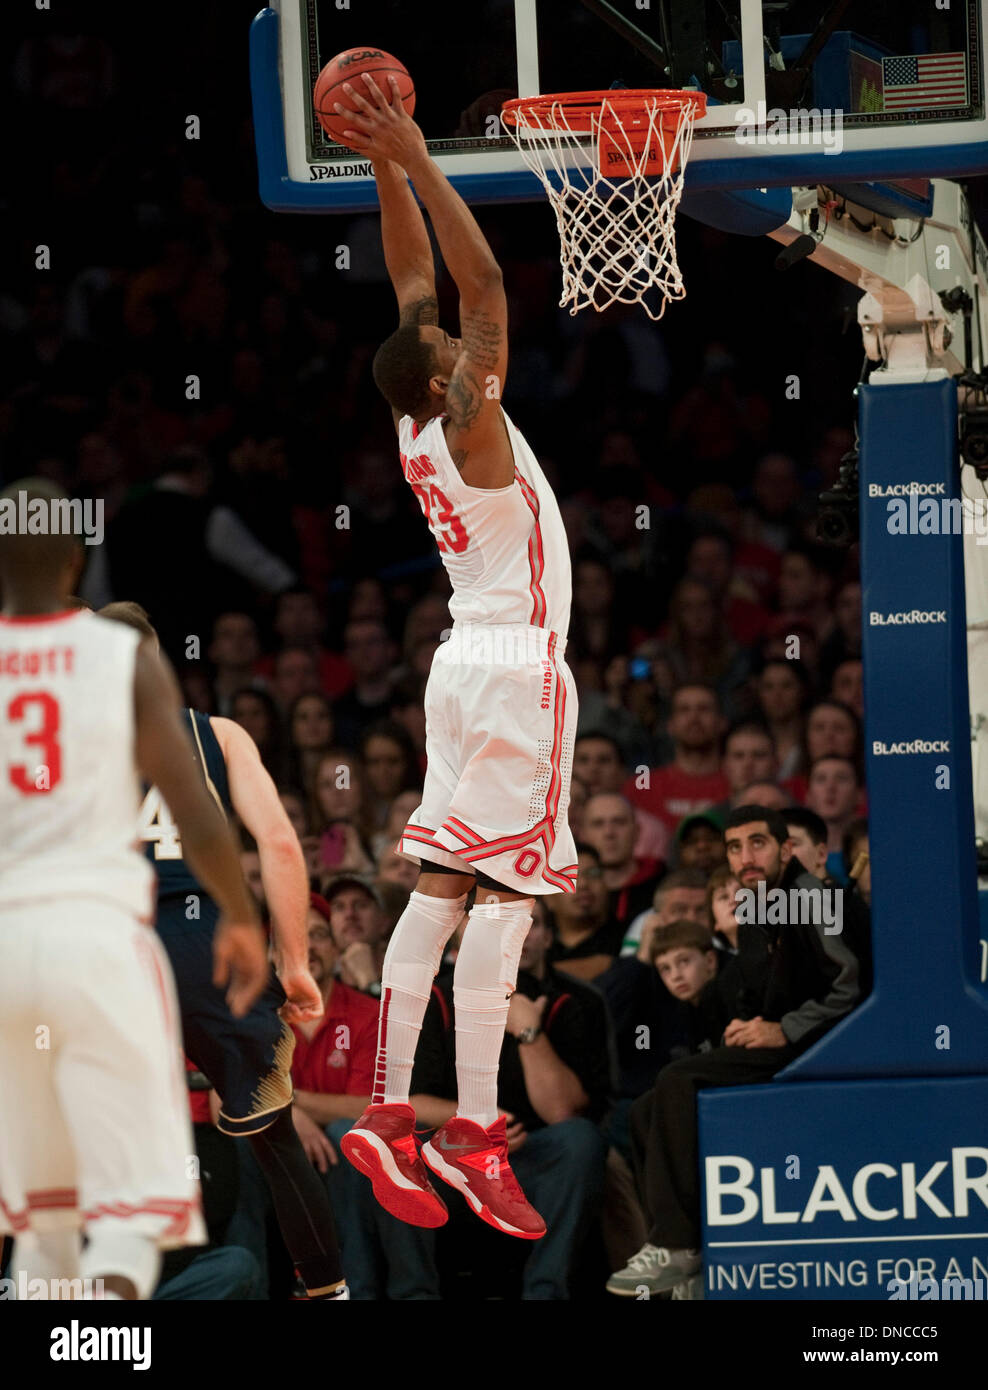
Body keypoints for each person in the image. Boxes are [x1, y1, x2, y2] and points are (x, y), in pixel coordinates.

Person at [333, 75, 579, 1240]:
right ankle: (471, 1128)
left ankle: (392, 1110)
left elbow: (413, 285)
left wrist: (383, 164)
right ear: (446, 378)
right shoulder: (469, 414)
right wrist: (425, 155)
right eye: (445, 348)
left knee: (448, 883)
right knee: (509, 896)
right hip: (518, 666)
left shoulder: (412, 415)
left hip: (461, 661)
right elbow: (475, 285)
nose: (451, 336)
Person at [0, 481, 267, 1301]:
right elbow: (194, 805)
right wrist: (241, 916)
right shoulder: (118, 659)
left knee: (43, 1207)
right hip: (99, 938)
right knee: (121, 1208)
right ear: (78, 558)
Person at [100, 601, 350, 1301]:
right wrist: (295, 960)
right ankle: (329, 1291)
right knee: (273, 1137)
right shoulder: (218, 735)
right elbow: (277, 844)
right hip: (211, 943)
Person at [608, 805, 861, 1297]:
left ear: (787, 849)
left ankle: (680, 1246)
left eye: (758, 843)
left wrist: (783, 1028)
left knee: (678, 1079)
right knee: (643, 1110)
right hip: (779, 1040)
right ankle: (683, 1254)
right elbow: (753, 995)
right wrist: (746, 1023)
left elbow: (849, 990)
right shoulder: (755, 908)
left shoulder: (816, 897)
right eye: (734, 846)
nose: (745, 856)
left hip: (825, 1041)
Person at [411, 901, 611, 1298]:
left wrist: (527, 1033)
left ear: (549, 937)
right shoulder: (433, 996)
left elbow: (563, 1114)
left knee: (580, 1140)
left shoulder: (578, 1001)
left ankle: (545, 1291)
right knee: (395, 1152)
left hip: (539, 1154)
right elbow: (411, 1101)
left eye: (529, 925)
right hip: (457, 1157)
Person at [624, 683, 729, 832]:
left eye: (704, 709)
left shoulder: (739, 786)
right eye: (684, 710)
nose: (694, 718)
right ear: (670, 725)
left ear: (722, 722)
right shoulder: (641, 787)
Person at [582, 793, 664, 936]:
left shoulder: (664, 884)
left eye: (619, 822)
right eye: (598, 824)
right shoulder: (564, 891)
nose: (609, 833)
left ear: (637, 832)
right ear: (582, 835)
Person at [546, 843, 624, 980]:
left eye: (593, 874)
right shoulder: (536, 945)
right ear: (548, 897)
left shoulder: (629, 936)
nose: (583, 884)